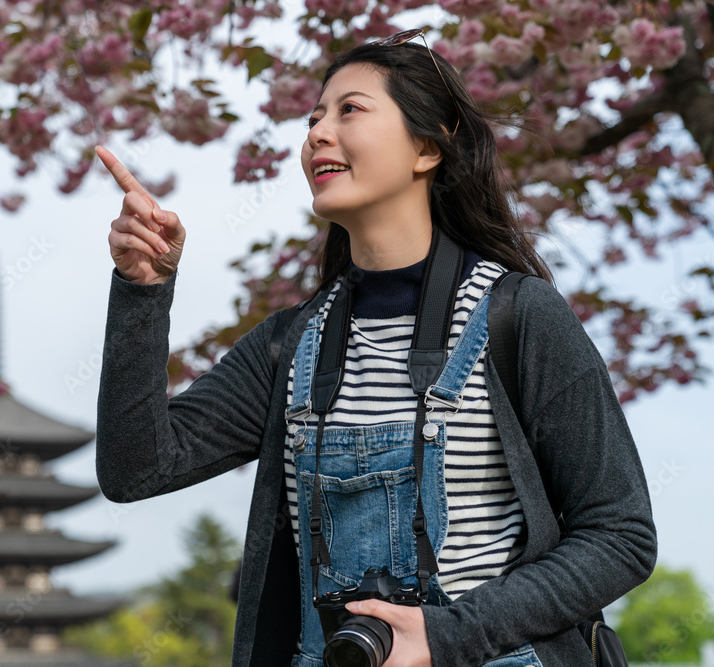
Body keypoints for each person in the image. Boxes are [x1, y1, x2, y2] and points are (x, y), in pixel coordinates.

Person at [94, 30, 657, 667]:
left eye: (349, 110)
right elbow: (135, 469)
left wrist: (447, 634)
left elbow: (620, 535)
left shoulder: (520, 316)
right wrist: (143, 292)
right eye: (312, 118)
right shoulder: (289, 343)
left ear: (426, 147)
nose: (316, 134)